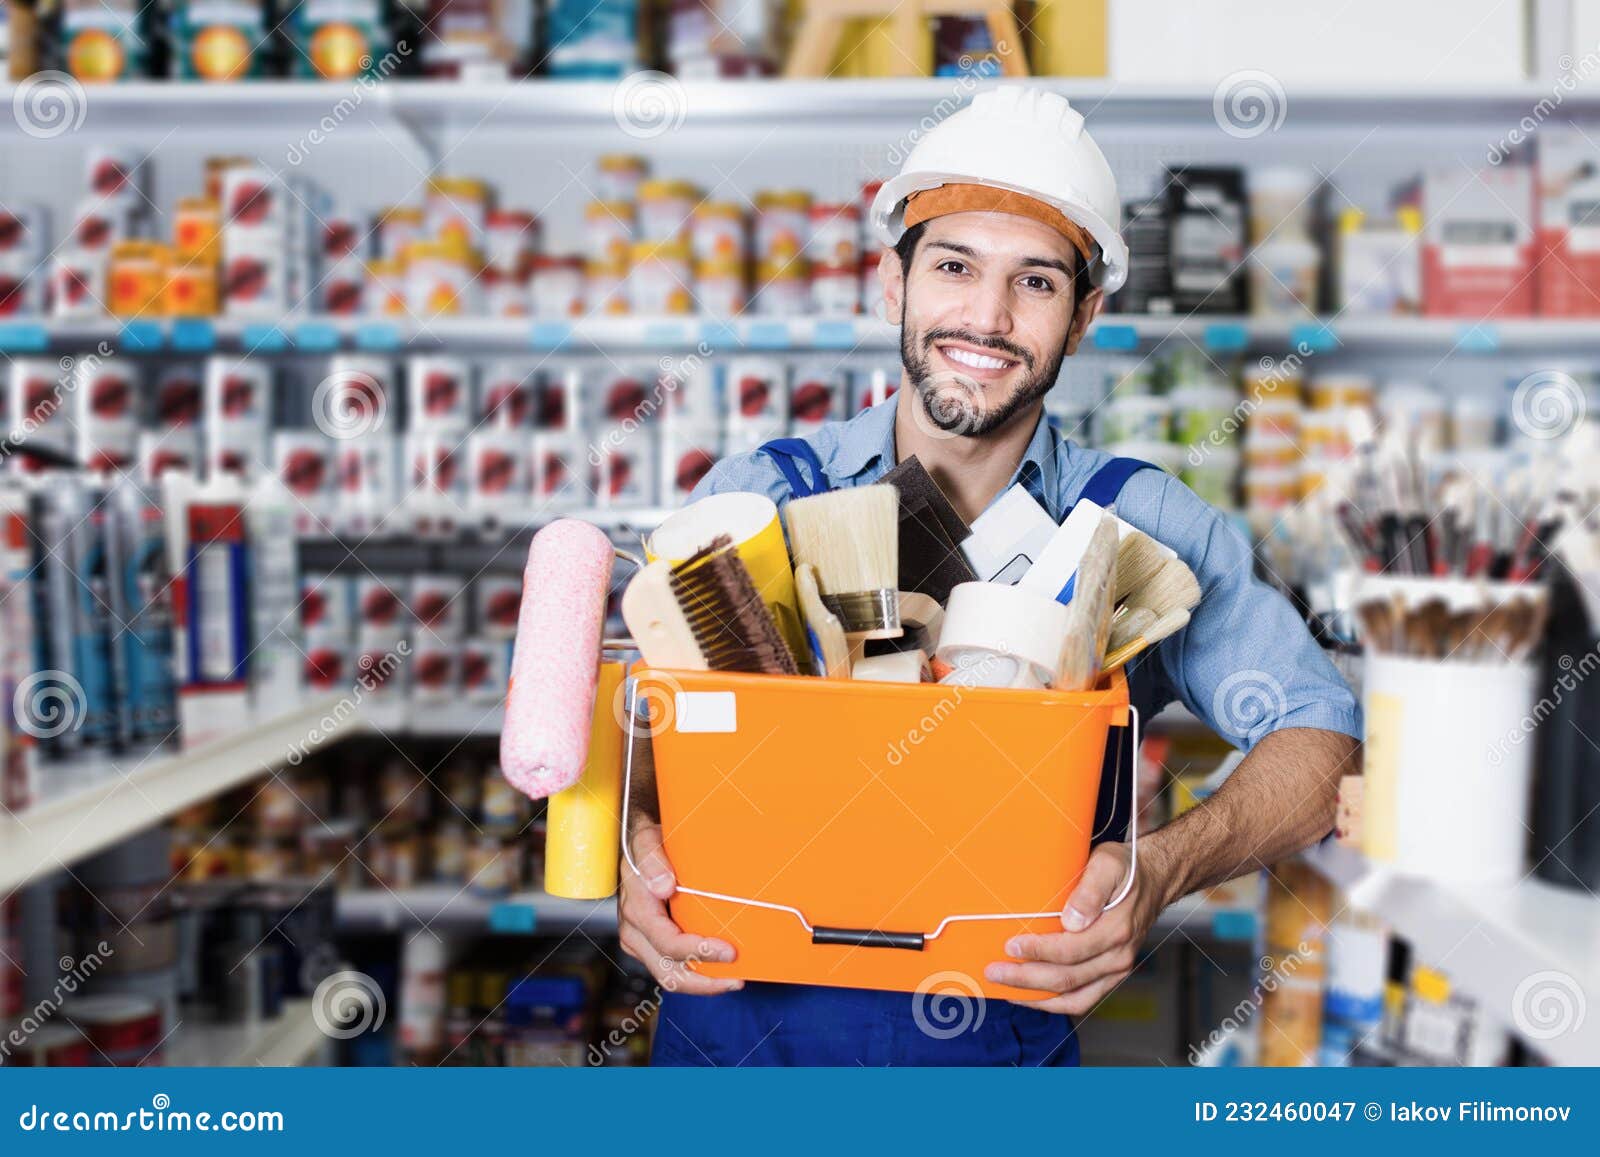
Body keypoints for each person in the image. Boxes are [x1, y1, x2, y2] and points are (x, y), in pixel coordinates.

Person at [620, 87, 1362, 1066]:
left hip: (991, 1050)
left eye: (1037, 282)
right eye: (955, 266)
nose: (987, 314)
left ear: (1086, 313)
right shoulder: (754, 499)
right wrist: (632, 856)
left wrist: (1157, 867)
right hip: (735, 1034)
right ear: (893, 284)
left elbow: (1323, 738)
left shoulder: (1138, 520)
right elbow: (638, 734)